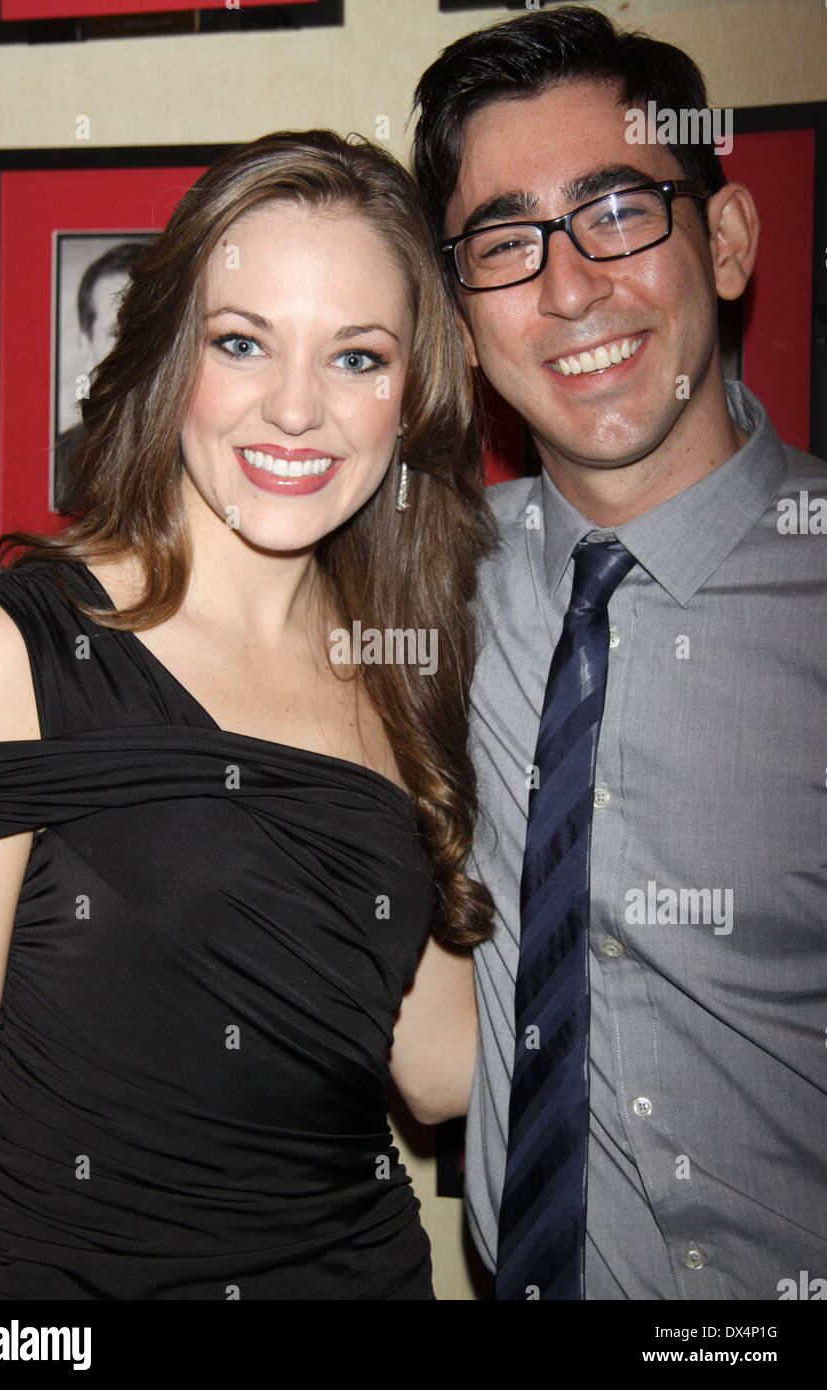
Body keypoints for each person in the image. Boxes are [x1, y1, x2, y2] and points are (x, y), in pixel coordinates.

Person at [0, 130, 495, 1301]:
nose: (295, 410)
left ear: (411, 398)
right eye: (242, 343)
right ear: (166, 362)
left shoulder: (396, 673)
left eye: (356, 358)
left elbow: (442, 1073)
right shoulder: (9, 651)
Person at [413, 6, 827, 1300]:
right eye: (503, 242)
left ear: (724, 239)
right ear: (460, 316)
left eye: (617, 211)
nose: (567, 285)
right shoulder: (420, 585)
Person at [55, 240, 152, 512]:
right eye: (116, 335)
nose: (135, 349)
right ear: (86, 347)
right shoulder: (61, 462)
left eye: (147, 331)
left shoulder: (207, 456)